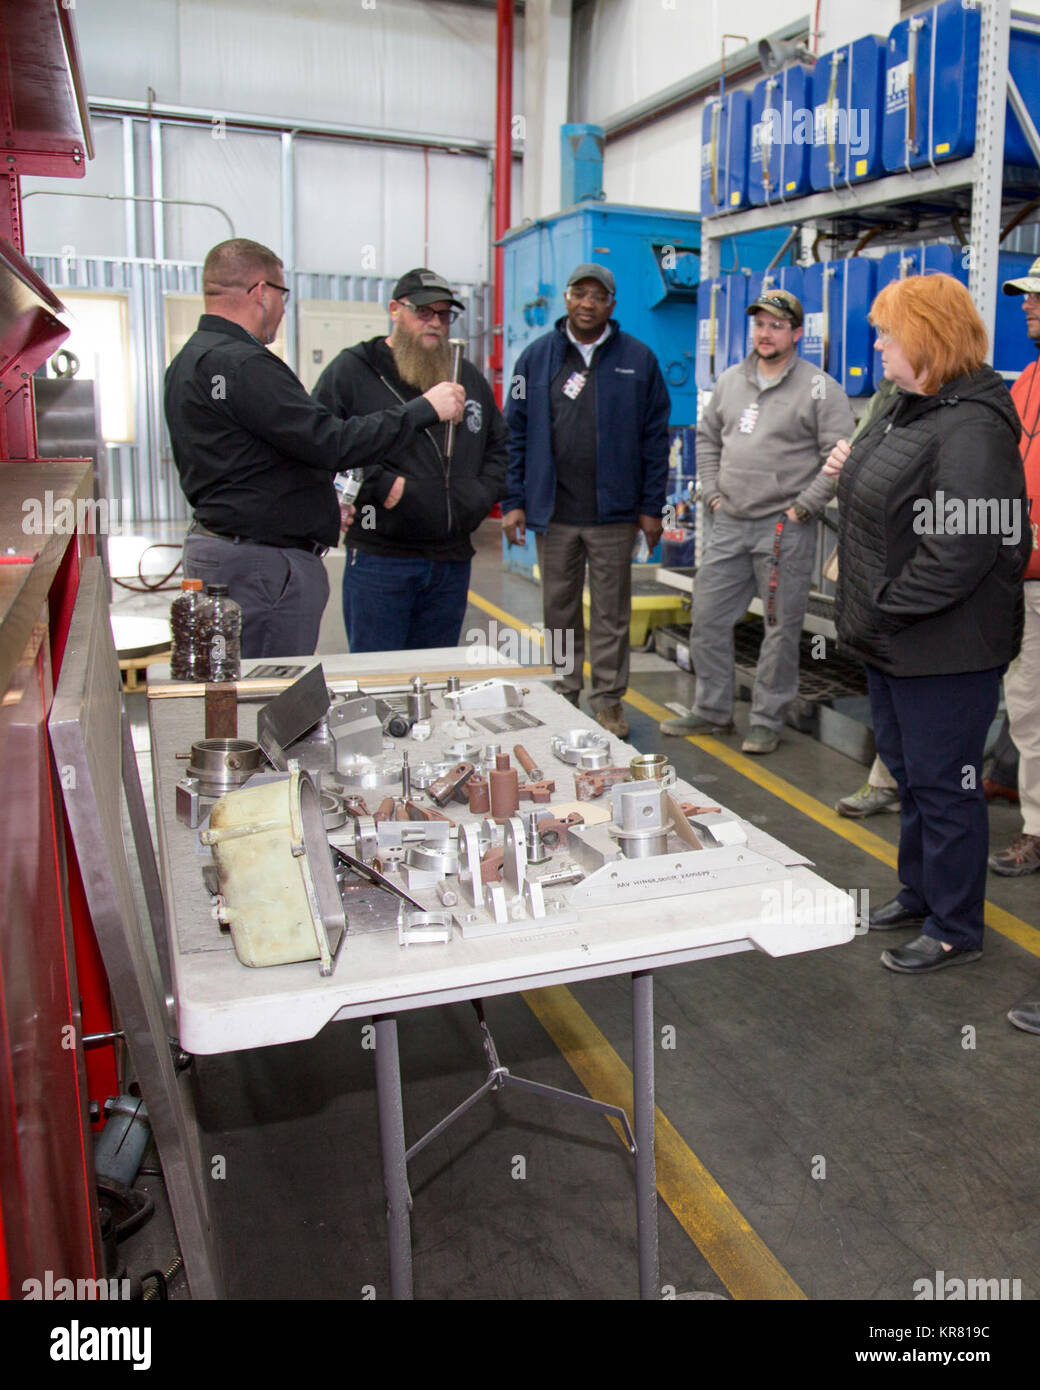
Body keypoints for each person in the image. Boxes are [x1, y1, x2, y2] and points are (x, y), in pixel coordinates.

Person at [833, 273, 1030, 975]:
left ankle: (954, 925)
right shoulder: (908, 407)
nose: (879, 345)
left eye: (889, 333)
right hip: (895, 640)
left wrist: (882, 602)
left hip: (942, 647)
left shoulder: (971, 427)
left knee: (947, 785)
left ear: (928, 339)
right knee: (914, 778)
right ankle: (919, 894)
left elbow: (964, 551)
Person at [166, 240, 463, 659]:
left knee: (235, 693)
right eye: (283, 295)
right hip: (261, 568)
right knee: (270, 696)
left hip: (230, 552)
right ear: (262, 292)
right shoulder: (244, 364)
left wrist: (318, 502)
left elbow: (261, 459)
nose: (284, 308)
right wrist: (424, 409)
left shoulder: (189, 361)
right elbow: (332, 442)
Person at [661, 289, 854, 753]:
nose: (765, 333)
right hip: (730, 523)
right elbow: (707, 439)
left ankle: (767, 719)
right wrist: (710, 490)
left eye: (776, 325)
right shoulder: (730, 381)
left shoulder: (820, 388)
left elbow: (840, 455)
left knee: (781, 628)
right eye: (760, 324)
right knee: (707, 618)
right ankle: (711, 711)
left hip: (784, 527)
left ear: (797, 333)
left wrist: (804, 505)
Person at [502, 264, 670, 739]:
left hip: (614, 516)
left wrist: (651, 507)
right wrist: (513, 500)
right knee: (559, 608)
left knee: (612, 613)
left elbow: (655, 440)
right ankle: (564, 689)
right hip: (553, 513)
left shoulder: (639, 360)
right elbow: (514, 432)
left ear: (612, 305)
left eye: (599, 296)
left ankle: (609, 701)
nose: (588, 303)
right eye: (580, 293)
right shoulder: (535, 358)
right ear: (567, 298)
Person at [312, 268, 507, 652]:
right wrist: (381, 484)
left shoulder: (464, 375)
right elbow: (320, 441)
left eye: (444, 314)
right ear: (395, 310)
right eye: (423, 311)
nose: (435, 322)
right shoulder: (354, 370)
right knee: (379, 677)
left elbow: (501, 446)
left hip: (451, 561)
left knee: (435, 679)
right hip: (381, 559)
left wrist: (478, 495)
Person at [989, 256, 1040, 884]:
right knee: (1027, 707)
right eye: (1024, 296)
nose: (1026, 305)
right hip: (1022, 575)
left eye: (1036, 296)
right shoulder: (1026, 378)